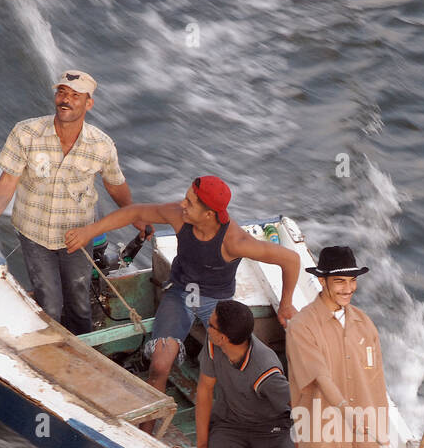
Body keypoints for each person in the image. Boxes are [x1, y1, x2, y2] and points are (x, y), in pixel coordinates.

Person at [64, 176, 299, 432]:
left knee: (243, 368)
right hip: (179, 294)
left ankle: (267, 426)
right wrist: (89, 232)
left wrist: (286, 304)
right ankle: (146, 436)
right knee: (160, 365)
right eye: (186, 197)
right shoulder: (180, 215)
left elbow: (290, 260)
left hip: (216, 303)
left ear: (209, 214)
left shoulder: (235, 241)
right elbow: (137, 211)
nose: (182, 204)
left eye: (190, 202)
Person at [0, 70, 137, 335]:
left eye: (75, 95)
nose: (66, 99)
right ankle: (52, 354)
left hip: (78, 236)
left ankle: (83, 357)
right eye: (62, 92)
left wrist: (135, 215)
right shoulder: (26, 133)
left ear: (89, 104)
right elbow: (7, 183)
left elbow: (115, 184)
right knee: (50, 307)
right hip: (35, 234)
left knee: (79, 304)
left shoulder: (101, 145)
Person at [285, 246, 394, 448]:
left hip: (364, 433)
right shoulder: (301, 326)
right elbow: (319, 375)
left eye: (352, 281)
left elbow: (377, 387)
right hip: (320, 430)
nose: (349, 289)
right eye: (340, 282)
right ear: (322, 282)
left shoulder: (365, 324)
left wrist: (383, 447)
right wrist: (346, 411)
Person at [195, 300, 309, 448]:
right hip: (230, 427)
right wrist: (202, 446)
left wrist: (301, 437)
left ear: (223, 338)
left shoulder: (266, 369)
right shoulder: (213, 344)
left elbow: (299, 402)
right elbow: (205, 390)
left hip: (272, 431)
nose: (207, 327)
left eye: (210, 325)